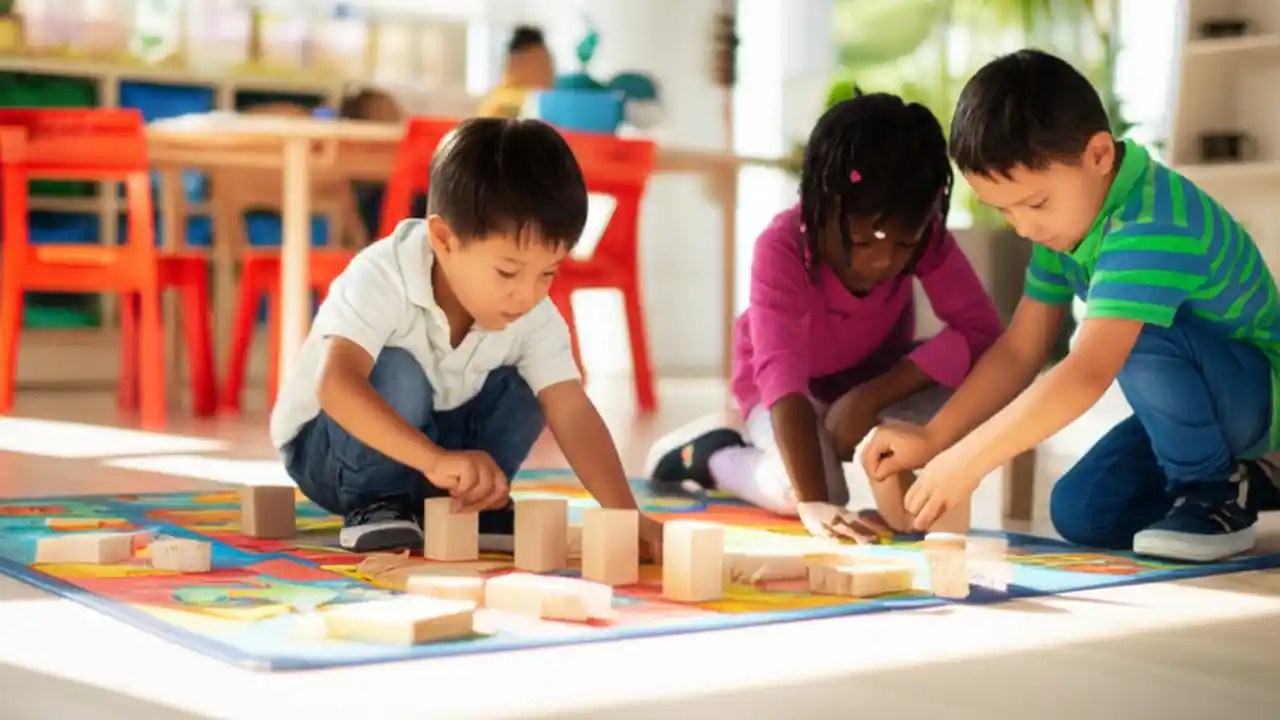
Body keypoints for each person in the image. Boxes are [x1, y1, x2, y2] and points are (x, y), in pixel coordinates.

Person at [863, 49, 1280, 562]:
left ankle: (1213, 496)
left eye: (1036, 203)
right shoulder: (1066, 230)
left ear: (1100, 155)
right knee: (1083, 511)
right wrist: (935, 436)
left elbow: (1087, 371)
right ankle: (1253, 482)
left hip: (1261, 400)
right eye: (1004, 210)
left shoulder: (1150, 224)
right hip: (1217, 417)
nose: (1025, 227)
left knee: (1141, 331)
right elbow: (1020, 351)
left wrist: (968, 460)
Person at [270, 117, 662, 556]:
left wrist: (626, 515)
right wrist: (435, 460)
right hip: (328, 450)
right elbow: (336, 386)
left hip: (434, 449)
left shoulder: (531, 312)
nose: (527, 293)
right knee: (398, 370)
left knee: (534, 387)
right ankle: (377, 502)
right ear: (443, 239)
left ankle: (476, 501)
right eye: (508, 271)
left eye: (547, 273)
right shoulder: (383, 272)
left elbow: (570, 408)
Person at [645, 93, 1002, 539]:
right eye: (865, 242)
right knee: (805, 494)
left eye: (903, 245)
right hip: (787, 395)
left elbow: (984, 334)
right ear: (821, 207)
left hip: (870, 380)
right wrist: (813, 504)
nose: (883, 262)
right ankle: (712, 455)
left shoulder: (926, 239)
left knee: (990, 378)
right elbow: (781, 380)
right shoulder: (781, 247)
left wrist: (872, 397)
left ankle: (894, 485)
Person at [478, 26, 556, 119]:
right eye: (541, 66)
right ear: (515, 65)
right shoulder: (505, 104)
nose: (549, 72)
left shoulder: (542, 98)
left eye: (548, 65)